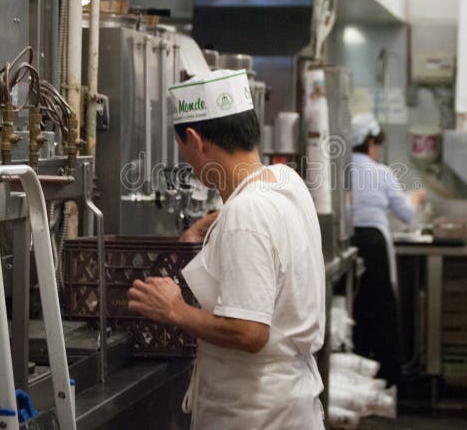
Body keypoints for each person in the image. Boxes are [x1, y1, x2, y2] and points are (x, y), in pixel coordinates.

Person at [127, 69, 326, 429]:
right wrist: (206, 224)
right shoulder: (285, 180)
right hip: (290, 404)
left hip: (255, 414)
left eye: (183, 149)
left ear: (195, 140)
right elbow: (253, 213)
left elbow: (249, 332)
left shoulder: (246, 214)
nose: (187, 162)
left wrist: (174, 309)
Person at [349, 113, 426, 388]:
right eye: (377, 144)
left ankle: (355, 377)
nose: (377, 150)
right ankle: (389, 380)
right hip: (374, 244)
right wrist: (415, 198)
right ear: (370, 142)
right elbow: (405, 213)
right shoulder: (381, 172)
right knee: (382, 310)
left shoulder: (340, 170)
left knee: (353, 310)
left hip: (347, 243)